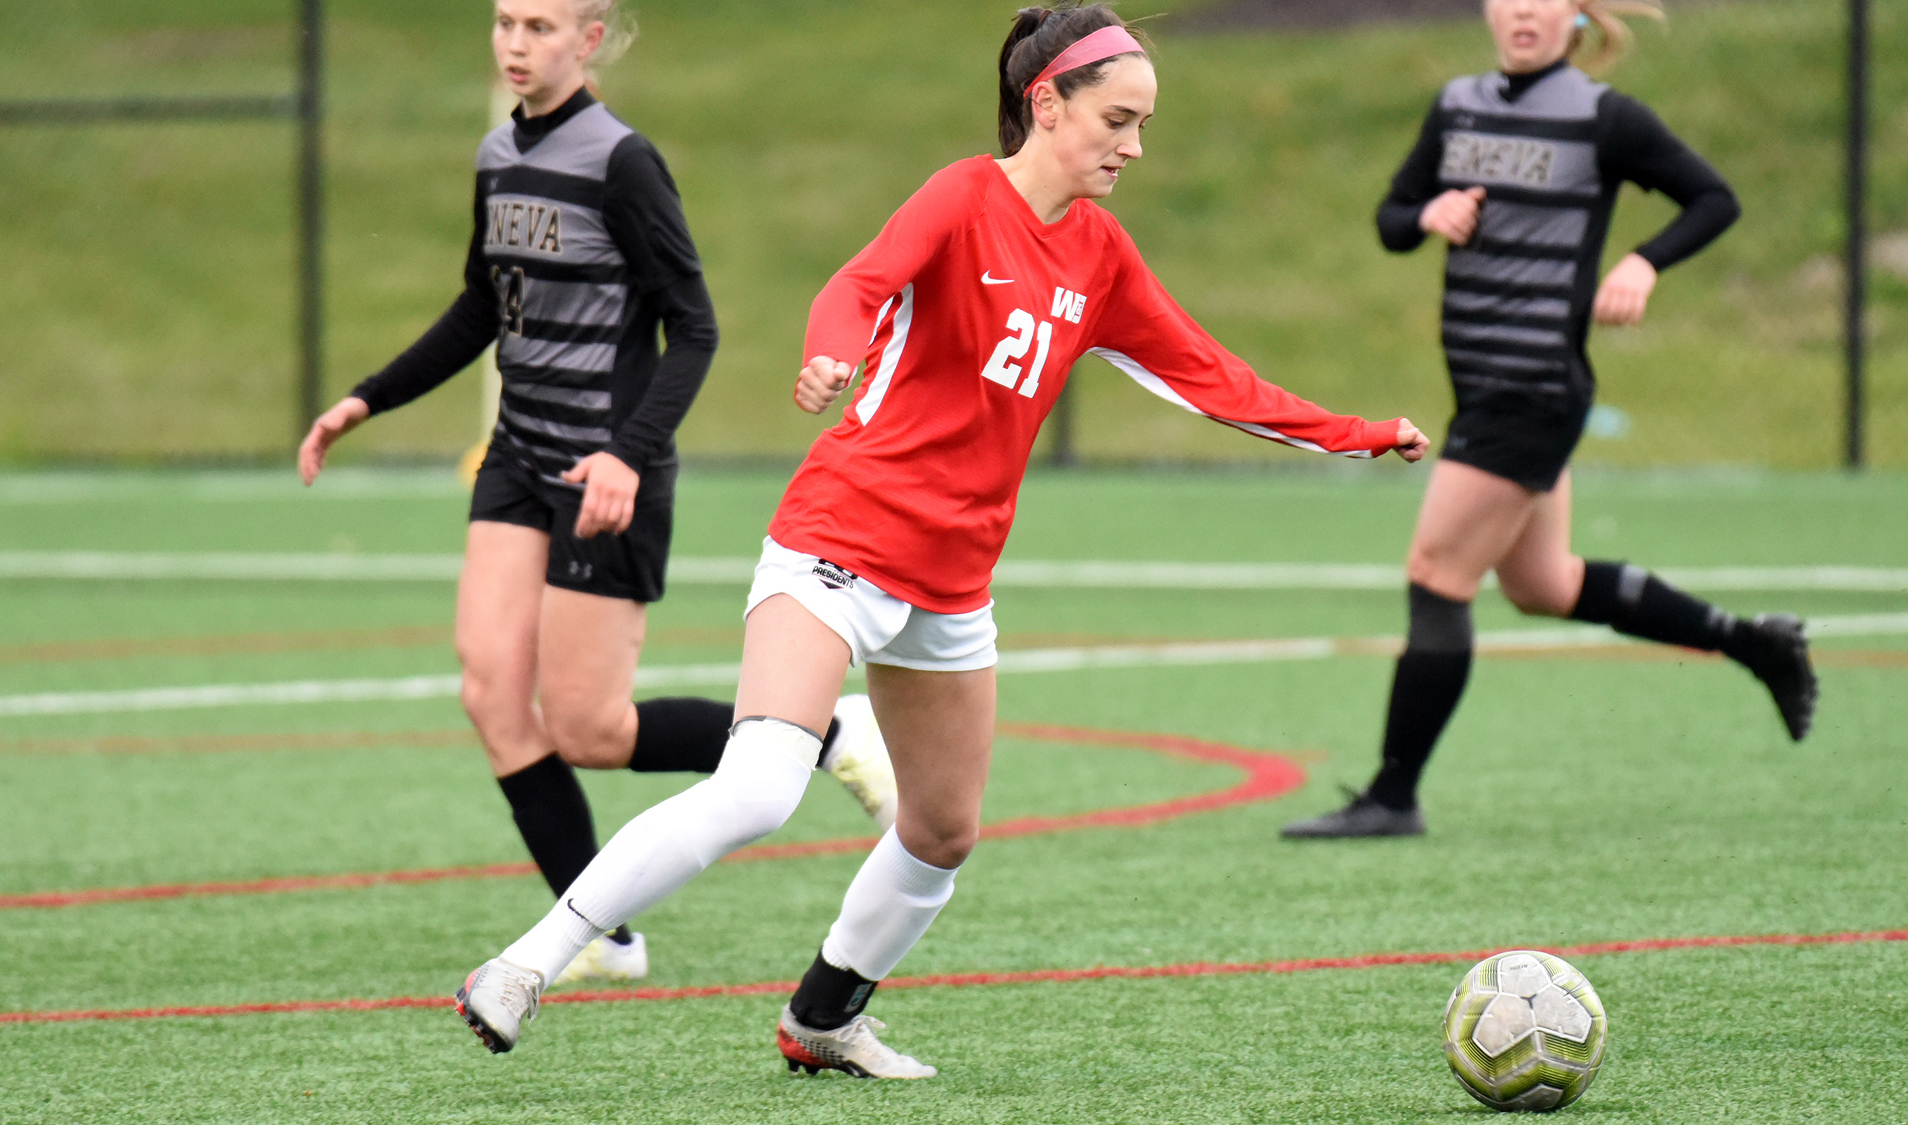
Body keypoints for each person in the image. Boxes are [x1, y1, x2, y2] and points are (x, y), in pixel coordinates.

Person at [453, 2, 1429, 1075]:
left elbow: (1208, 375)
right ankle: (525, 966)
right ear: (1044, 103)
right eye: (1116, 118)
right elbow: (859, 284)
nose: (1132, 146)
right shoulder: (962, 195)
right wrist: (831, 354)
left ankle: (822, 1019)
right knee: (759, 788)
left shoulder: (1099, 252)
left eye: (1143, 124)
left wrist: (1358, 433)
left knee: (941, 832)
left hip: (952, 581)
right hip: (841, 536)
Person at [296, 0, 897, 986]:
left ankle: (825, 729)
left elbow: (693, 326)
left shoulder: (623, 162)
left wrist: (626, 453)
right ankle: (604, 942)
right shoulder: (498, 153)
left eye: (539, 26)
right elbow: (480, 308)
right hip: (519, 460)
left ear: (589, 38)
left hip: (604, 473)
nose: (515, 44)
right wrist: (367, 398)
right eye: (503, 23)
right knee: (491, 693)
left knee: (590, 731)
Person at [1281, 0, 1816, 841]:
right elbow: (1391, 218)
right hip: (1484, 389)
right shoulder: (1457, 105)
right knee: (1545, 585)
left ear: (1576, 16)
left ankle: (1393, 795)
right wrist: (1428, 215)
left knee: (1436, 572)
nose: (1523, 9)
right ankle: (1757, 645)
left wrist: (1642, 261)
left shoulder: (1605, 119)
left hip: (1532, 393)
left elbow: (1715, 199)